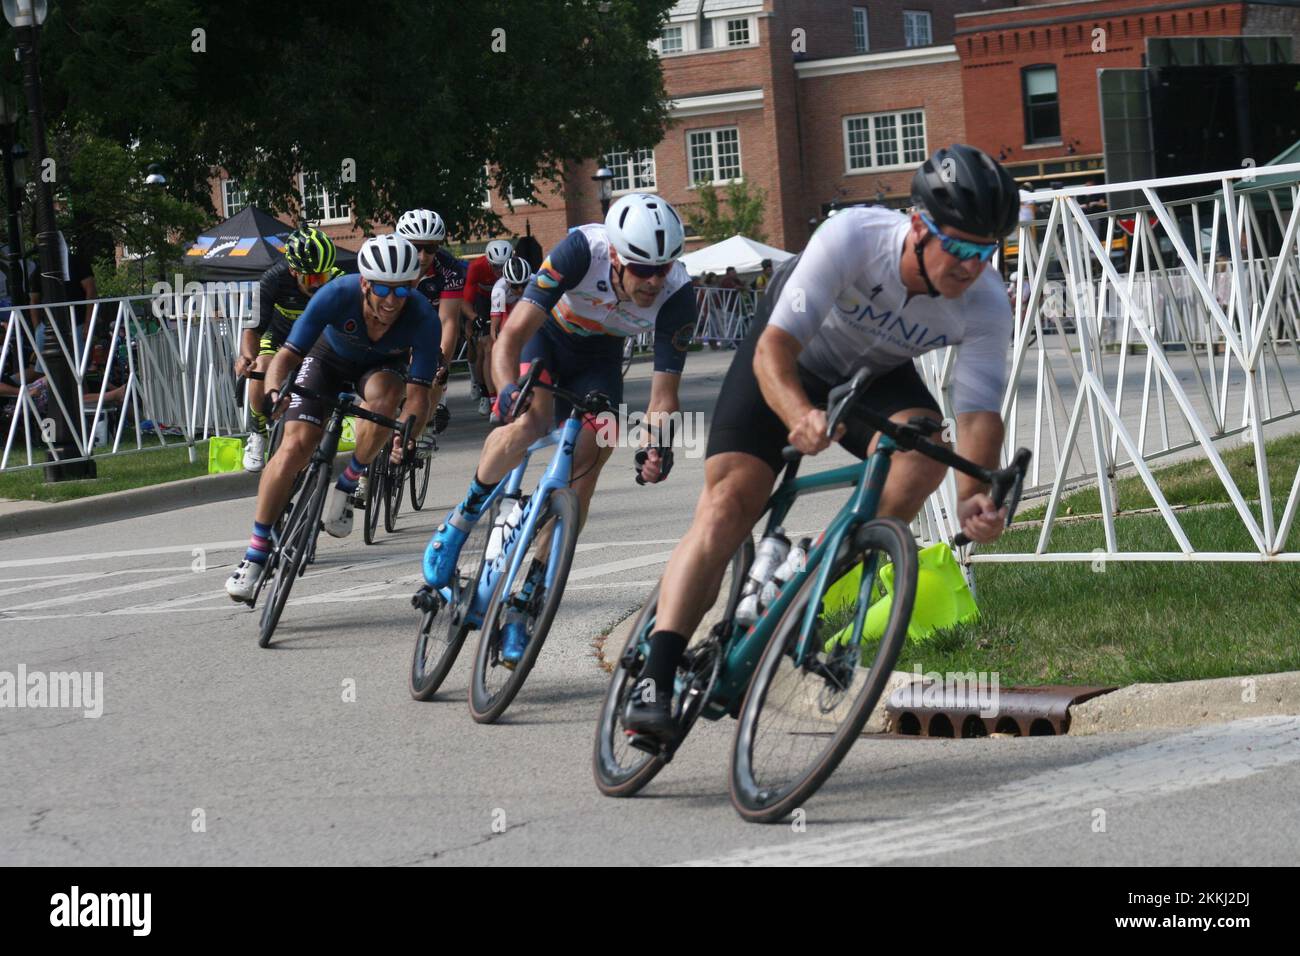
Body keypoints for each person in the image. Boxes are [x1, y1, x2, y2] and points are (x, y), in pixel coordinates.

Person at [623, 143, 1022, 740]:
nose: (971, 267)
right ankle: (654, 675)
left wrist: (973, 495)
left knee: (923, 454)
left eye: (985, 251)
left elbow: (979, 414)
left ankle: (807, 576)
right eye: (960, 247)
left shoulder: (986, 300)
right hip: (787, 357)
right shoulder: (855, 236)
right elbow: (773, 350)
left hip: (871, 375)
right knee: (729, 504)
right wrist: (799, 415)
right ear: (919, 226)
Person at [422, 193, 696, 665]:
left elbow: (663, 397)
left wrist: (658, 446)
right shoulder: (580, 251)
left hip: (601, 359)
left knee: (593, 456)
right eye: (642, 268)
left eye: (663, 268)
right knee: (532, 420)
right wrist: (507, 389)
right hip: (545, 339)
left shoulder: (679, 295)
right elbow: (511, 335)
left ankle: (525, 602)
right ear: (616, 256)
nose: (654, 281)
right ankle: (460, 522)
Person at [224, 234, 441, 602]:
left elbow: (418, 397)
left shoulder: (423, 318)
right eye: (383, 289)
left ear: (413, 286)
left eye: (402, 290)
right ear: (365, 283)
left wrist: (408, 433)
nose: (392, 301)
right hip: (327, 358)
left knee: (387, 399)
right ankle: (255, 555)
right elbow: (286, 357)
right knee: (294, 447)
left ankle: (349, 481)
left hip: (379, 368)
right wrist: (276, 391)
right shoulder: (336, 294)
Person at [235, 226, 343, 472]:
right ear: (294, 271)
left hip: (317, 339)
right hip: (280, 333)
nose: (318, 284)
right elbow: (253, 328)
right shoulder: (273, 279)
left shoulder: (338, 280)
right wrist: (247, 357)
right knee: (260, 367)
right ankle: (258, 431)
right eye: (312, 279)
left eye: (323, 277)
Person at [395, 209, 461, 458]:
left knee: (433, 371)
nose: (423, 256)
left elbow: (448, 320)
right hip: (394, 323)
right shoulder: (390, 260)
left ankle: (424, 425)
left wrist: (442, 364)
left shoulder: (449, 269)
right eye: (416, 247)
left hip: (430, 327)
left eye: (431, 248)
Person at [462, 239, 513, 415]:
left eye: (503, 266)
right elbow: (465, 301)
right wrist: (474, 318)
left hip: (506, 297)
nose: (500, 271)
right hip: (483, 300)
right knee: (483, 346)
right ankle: (483, 389)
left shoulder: (516, 266)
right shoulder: (477, 267)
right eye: (496, 267)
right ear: (488, 262)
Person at [487, 257, 534, 394]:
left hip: (529, 305)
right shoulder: (499, 289)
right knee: (503, 342)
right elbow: (494, 327)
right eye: (514, 286)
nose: (520, 289)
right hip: (507, 309)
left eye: (524, 285)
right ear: (507, 282)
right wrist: (501, 348)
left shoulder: (536, 281)